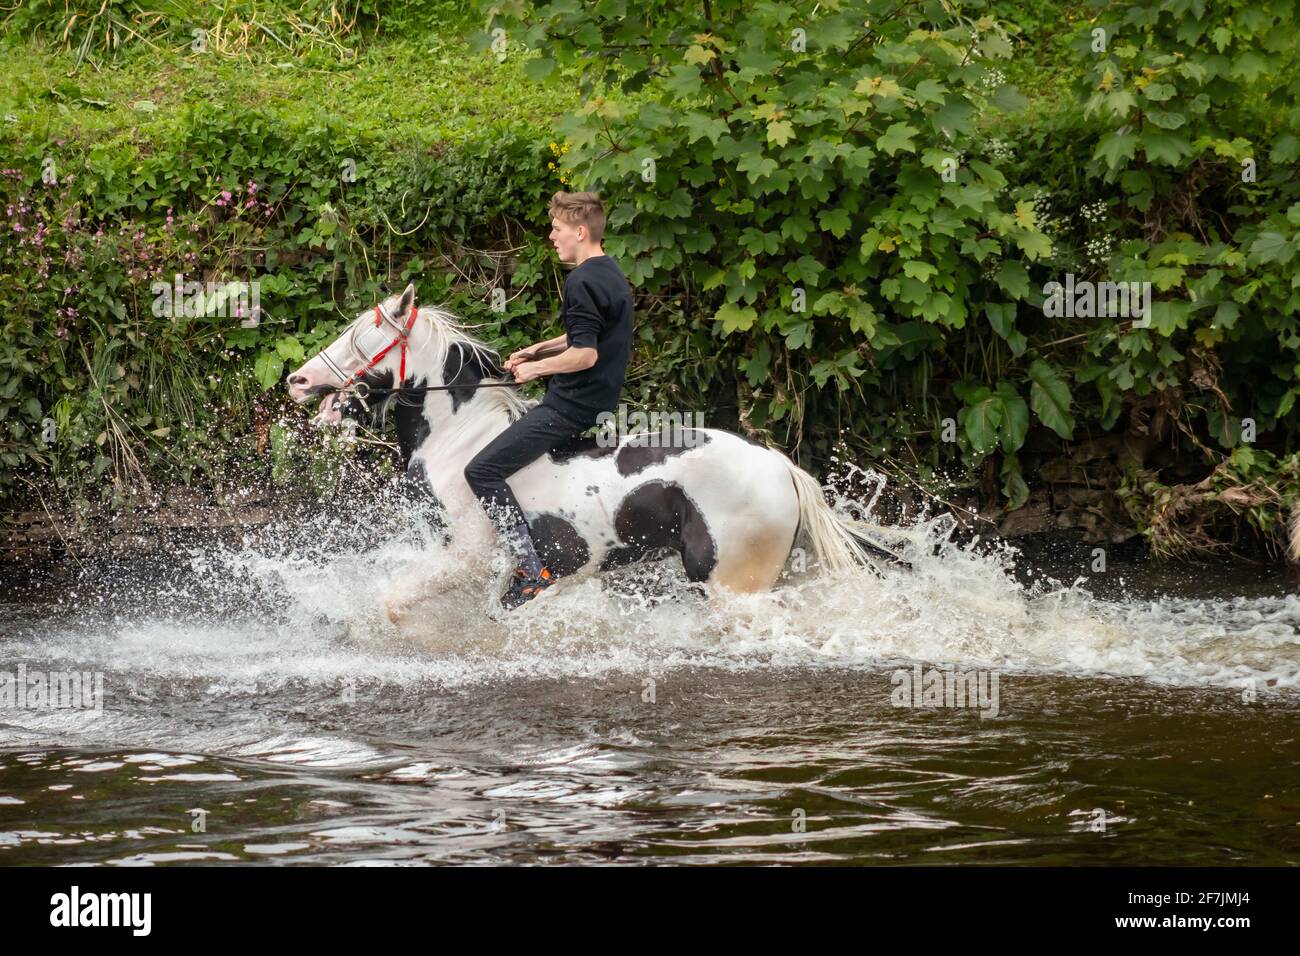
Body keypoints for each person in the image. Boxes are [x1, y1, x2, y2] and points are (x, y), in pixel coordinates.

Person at [464, 191, 634, 610]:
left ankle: (530, 568)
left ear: (579, 231)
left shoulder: (580, 281)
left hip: (571, 405)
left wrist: (535, 370)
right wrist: (538, 349)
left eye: (557, 229)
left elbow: (585, 355)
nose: (551, 236)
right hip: (598, 400)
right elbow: (588, 334)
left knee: (481, 471)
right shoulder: (609, 271)